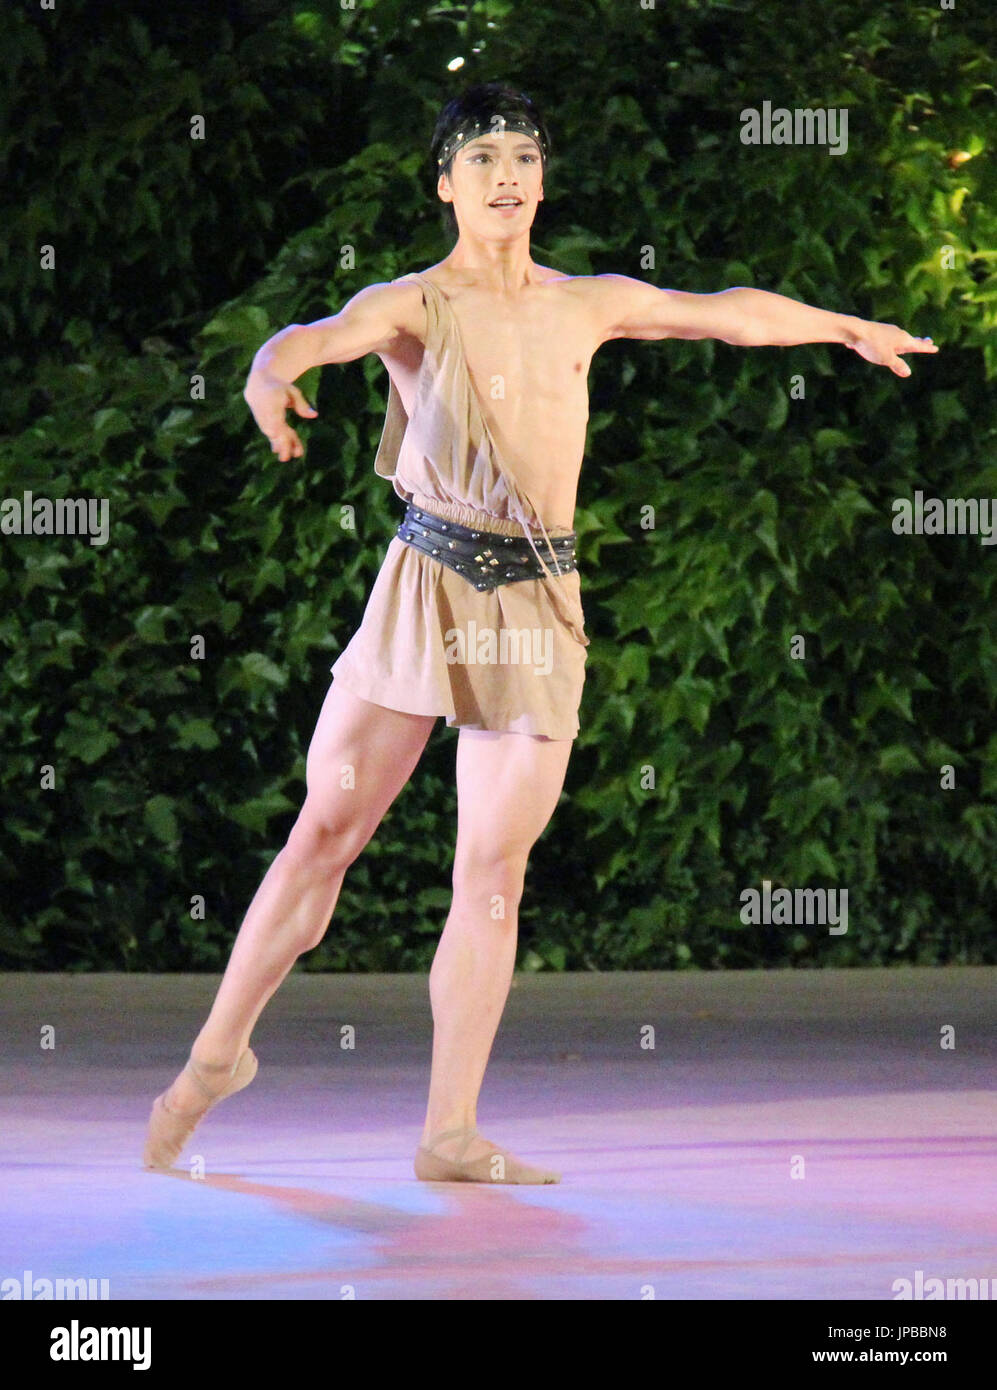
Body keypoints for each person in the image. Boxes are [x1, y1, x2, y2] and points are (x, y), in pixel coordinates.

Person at [142, 81, 938, 1184]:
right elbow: (313, 337)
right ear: (445, 185)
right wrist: (265, 374)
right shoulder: (416, 302)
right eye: (482, 160)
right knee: (326, 829)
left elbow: (725, 310)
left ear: (544, 179)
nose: (506, 175)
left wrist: (842, 325)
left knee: (493, 869)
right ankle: (213, 1059)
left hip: (536, 602)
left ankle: (448, 1132)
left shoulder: (582, 302)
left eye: (522, 156)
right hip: (427, 578)